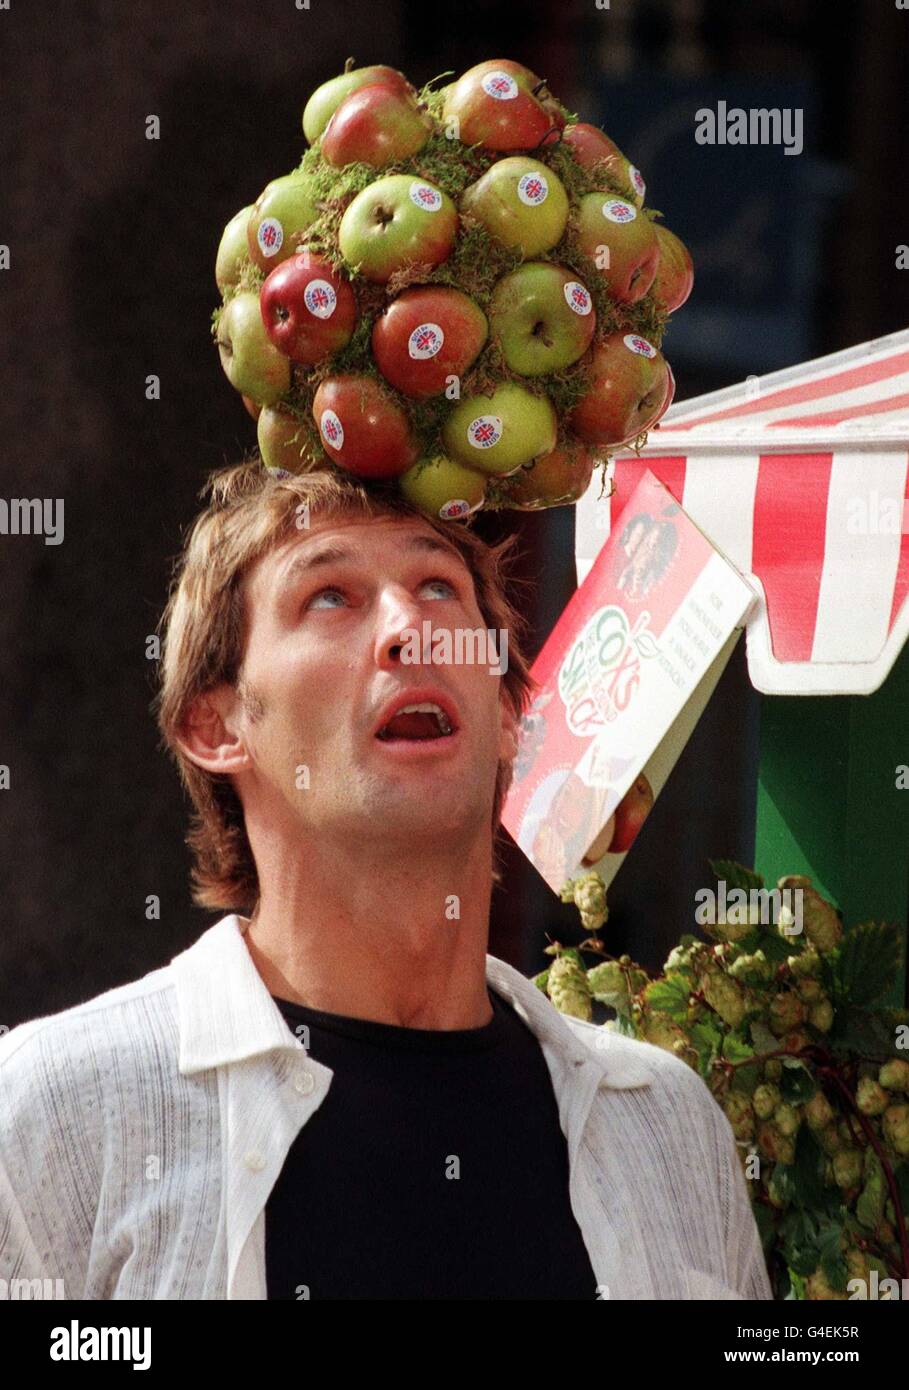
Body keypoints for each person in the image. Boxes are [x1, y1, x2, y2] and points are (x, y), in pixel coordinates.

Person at [0, 460, 773, 1301]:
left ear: (511, 715)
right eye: (329, 596)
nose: (414, 628)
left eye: (438, 587)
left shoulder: (664, 1124)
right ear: (214, 723)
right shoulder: (60, 1112)